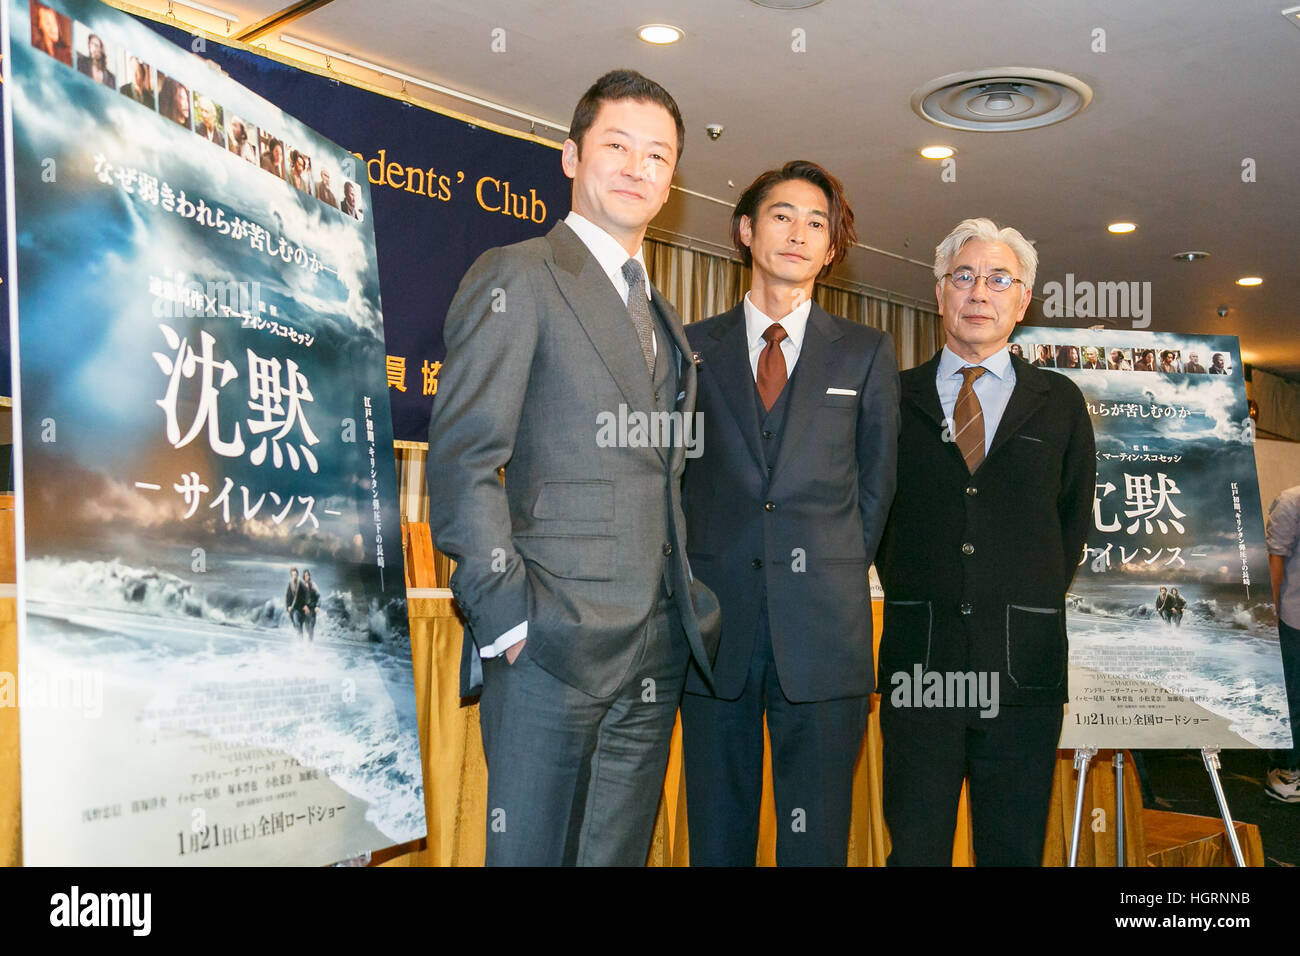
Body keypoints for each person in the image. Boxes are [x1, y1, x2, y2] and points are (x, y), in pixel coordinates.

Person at [425, 69, 721, 866]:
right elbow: (462, 462)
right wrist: (511, 621)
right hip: (549, 645)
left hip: (655, 647)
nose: (637, 167)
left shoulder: (661, 312)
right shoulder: (518, 274)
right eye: (617, 145)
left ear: (671, 181)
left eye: (658, 155)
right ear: (571, 156)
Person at [679, 161, 899, 866]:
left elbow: (875, 489)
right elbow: (672, 481)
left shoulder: (866, 354)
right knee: (718, 837)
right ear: (746, 230)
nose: (799, 234)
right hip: (715, 633)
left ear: (832, 248)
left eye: (817, 223)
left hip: (824, 637)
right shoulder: (689, 349)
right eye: (781, 216)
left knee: (816, 843)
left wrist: (825, 573)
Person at [876, 217, 1096, 866]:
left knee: (1012, 851)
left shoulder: (1058, 402)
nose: (980, 292)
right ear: (940, 293)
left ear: (1023, 299)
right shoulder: (890, 398)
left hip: (1022, 671)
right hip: (920, 667)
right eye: (963, 276)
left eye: (999, 279)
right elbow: (876, 522)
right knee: (914, 852)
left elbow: (1069, 528)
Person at [1265, 486, 1300, 802]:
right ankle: (1286, 770)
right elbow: (1274, 561)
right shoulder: (1291, 501)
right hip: (1294, 617)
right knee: (1293, 698)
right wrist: (1270, 614)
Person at [302, 570, 320, 642]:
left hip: (312, 609)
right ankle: (309, 642)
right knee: (307, 628)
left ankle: (310, 645)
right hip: (305, 610)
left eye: (308, 575)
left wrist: (317, 606)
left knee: (311, 627)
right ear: (303, 576)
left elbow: (319, 597)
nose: (307, 577)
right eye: (305, 575)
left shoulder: (313, 585)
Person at [285, 567, 303, 635]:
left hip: (299, 608)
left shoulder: (301, 584)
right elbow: (288, 596)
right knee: (295, 624)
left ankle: (300, 640)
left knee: (297, 623)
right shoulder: (290, 584)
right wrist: (288, 607)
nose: (294, 577)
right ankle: (300, 639)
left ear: (297, 575)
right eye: (293, 575)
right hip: (292, 608)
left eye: (295, 575)